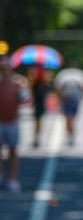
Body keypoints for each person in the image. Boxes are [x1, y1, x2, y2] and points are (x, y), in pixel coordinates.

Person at [0, 56, 26, 192]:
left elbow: (25, 99)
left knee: (13, 151)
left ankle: (12, 179)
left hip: (12, 122)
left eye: (6, 68)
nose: (4, 70)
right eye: (2, 68)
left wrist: (22, 89)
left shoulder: (17, 83)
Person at [54, 67, 83, 146]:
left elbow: (58, 88)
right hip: (68, 99)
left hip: (72, 99)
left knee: (70, 119)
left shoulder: (65, 74)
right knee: (69, 118)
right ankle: (71, 136)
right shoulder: (78, 74)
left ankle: (70, 135)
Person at [28, 65, 50, 148]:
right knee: (38, 120)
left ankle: (36, 138)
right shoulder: (43, 72)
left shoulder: (35, 73)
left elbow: (30, 85)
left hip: (38, 101)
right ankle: (36, 138)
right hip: (38, 101)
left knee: (37, 120)